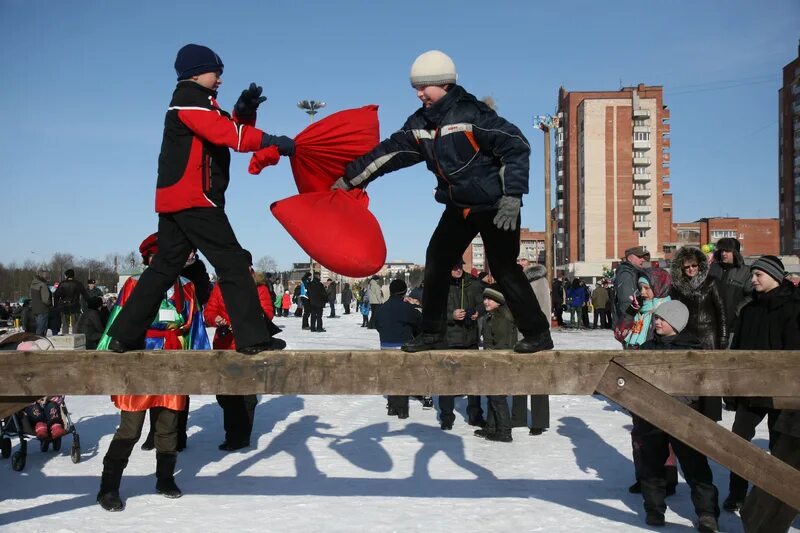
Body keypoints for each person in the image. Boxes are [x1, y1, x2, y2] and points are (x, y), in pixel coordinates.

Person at [333, 50, 552, 354]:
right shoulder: (421, 124)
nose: (420, 93)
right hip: (459, 206)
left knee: (504, 268)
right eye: (416, 89)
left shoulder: (471, 114)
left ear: (445, 84)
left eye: (425, 87)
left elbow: (516, 146)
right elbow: (389, 153)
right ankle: (432, 333)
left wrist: (513, 196)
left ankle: (538, 333)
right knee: (436, 261)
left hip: (496, 205)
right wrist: (352, 178)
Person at [104, 43, 293, 357]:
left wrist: (244, 112)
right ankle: (252, 337)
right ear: (195, 73)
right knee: (232, 262)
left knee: (164, 266)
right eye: (215, 72)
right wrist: (273, 141)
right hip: (195, 198)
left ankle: (124, 334)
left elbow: (225, 127)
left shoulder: (196, 103)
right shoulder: (188, 100)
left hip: (178, 197)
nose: (219, 79)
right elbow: (226, 134)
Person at [95, 243, 211, 512]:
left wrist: (202, 362)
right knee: (130, 428)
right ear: (151, 258)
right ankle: (108, 487)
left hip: (173, 359)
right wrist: (106, 357)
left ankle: (165, 479)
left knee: (168, 425)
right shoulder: (135, 284)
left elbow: (195, 324)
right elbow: (118, 318)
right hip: (140, 360)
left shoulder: (187, 286)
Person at [635, 300, 720, 531]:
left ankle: (707, 514)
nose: (657, 322)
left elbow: (707, 386)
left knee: (696, 467)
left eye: (663, 319)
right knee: (651, 466)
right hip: (652, 415)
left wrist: (707, 417)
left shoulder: (693, 349)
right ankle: (654, 509)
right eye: (656, 318)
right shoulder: (647, 348)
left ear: (677, 323)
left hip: (685, 416)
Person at [725, 255, 800, 517]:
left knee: (781, 449)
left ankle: (781, 498)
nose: (753, 279)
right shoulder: (748, 309)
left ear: (775, 277)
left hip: (784, 393)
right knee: (738, 443)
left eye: (758, 275)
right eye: (752, 274)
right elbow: (738, 351)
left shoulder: (794, 306)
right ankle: (736, 493)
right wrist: (733, 390)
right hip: (750, 391)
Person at [204, 253, 276, 451]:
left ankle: (241, 436)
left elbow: (267, 313)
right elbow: (209, 311)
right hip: (224, 345)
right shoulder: (220, 286)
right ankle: (232, 432)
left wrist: (247, 322)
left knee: (246, 395)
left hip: (250, 346)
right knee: (225, 393)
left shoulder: (258, 287)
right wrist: (215, 319)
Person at [438, 261, 484, 430]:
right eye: (453, 266)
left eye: (459, 266)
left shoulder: (473, 283)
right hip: (449, 341)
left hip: (470, 339)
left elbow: (482, 304)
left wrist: (478, 312)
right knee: (447, 381)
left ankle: (475, 415)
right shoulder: (440, 284)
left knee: (473, 381)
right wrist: (451, 315)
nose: (457, 269)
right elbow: (434, 312)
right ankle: (446, 417)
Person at [373, 279, 422, 419]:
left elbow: (377, 325)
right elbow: (419, 320)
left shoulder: (382, 308)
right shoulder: (406, 308)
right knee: (402, 377)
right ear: (404, 292)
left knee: (390, 375)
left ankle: (392, 407)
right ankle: (402, 409)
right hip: (402, 346)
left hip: (385, 346)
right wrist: (416, 306)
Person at [474, 284, 516, 442]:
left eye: (490, 299)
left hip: (499, 362)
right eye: (485, 298)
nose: (486, 302)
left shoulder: (500, 318)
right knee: (493, 395)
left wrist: (494, 360)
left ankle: (505, 431)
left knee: (497, 396)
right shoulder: (492, 315)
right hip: (492, 360)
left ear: (499, 301)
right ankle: (491, 427)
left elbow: (502, 344)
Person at [513, 262, 551, 435]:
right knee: (518, 378)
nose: (520, 263)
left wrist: (541, 334)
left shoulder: (538, 280)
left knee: (539, 380)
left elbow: (544, 308)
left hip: (536, 338)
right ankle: (518, 417)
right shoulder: (515, 280)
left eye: (523, 260)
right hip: (518, 337)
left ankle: (539, 421)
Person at [707, 237, 751, 343]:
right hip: (711, 326)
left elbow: (751, 295)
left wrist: (737, 311)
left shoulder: (746, 272)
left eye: (727, 251)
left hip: (733, 328)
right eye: (721, 250)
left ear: (735, 253)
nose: (723, 254)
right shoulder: (712, 268)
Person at [613, 246, 649, 342]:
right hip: (631, 326)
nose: (642, 259)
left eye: (643, 257)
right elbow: (627, 302)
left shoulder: (634, 272)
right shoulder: (627, 274)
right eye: (639, 256)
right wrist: (630, 324)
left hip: (635, 324)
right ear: (630, 258)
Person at [54, 269, 89, 335]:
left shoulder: (62, 284)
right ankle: (75, 339)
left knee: (65, 324)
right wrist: (89, 304)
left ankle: (65, 339)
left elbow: (56, 295)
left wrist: (56, 306)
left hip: (64, 307)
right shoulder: (78, 284)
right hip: (75, 307)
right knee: (75, 324)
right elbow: (85, 295)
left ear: (66, 275)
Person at [30, 269, 52, 336]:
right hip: (43, 309)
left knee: (38, 328)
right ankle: (39, 343)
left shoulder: (33, 284)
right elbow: (46, 300)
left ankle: (37, 342)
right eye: (47, 277)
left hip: (35, 309)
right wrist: (50, 304)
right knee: (41, 329)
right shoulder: (43, 285)